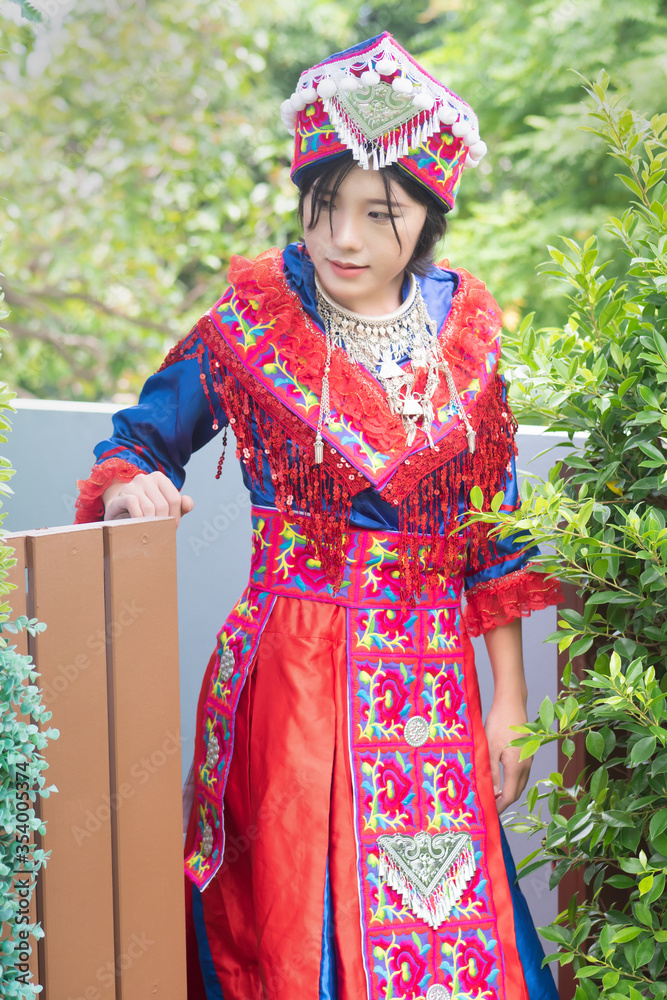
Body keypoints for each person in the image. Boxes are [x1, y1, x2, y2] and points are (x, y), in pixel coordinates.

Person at [75, 32, 563, 1000]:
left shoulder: (467, 334)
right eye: (323, 208)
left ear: (425, 222)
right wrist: (130, 481)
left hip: (429, 679)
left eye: (378, 214)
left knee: (445, 912)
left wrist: (509, 704)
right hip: (290, 664)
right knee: (291, 909)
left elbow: (493, 533)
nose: (344, 237)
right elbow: (137, 438)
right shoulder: (248, 324)